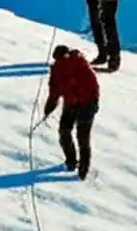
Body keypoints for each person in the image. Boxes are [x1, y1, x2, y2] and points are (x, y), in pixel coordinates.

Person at [43, 45, 100, 180]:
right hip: (89, 103)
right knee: (84, 138)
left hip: (71, 104)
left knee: (65, 131)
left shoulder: (58, 70)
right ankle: (83, 170)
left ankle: (71, 161)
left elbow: (54, 95)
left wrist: (47, 110)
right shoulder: (81, 61)